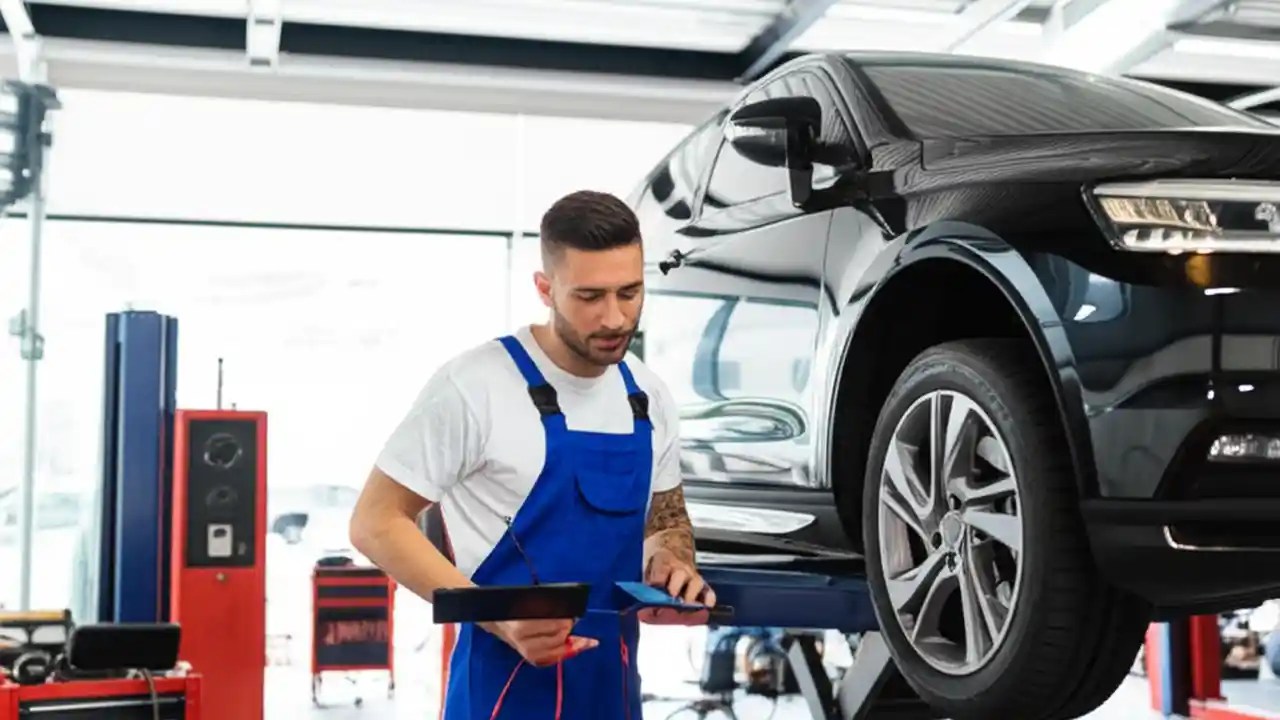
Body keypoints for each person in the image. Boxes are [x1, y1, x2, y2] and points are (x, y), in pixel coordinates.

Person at [348, 189, 714, 720]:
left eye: (629, 293)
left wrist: (671, 562)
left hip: (613, 691)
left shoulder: (649, 396)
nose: (614, 318)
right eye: (590, 297)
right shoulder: (476, 386)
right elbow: (374, 522)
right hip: (504, 692)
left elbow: (665, 519)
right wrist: (498, 618)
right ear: (545, 288)